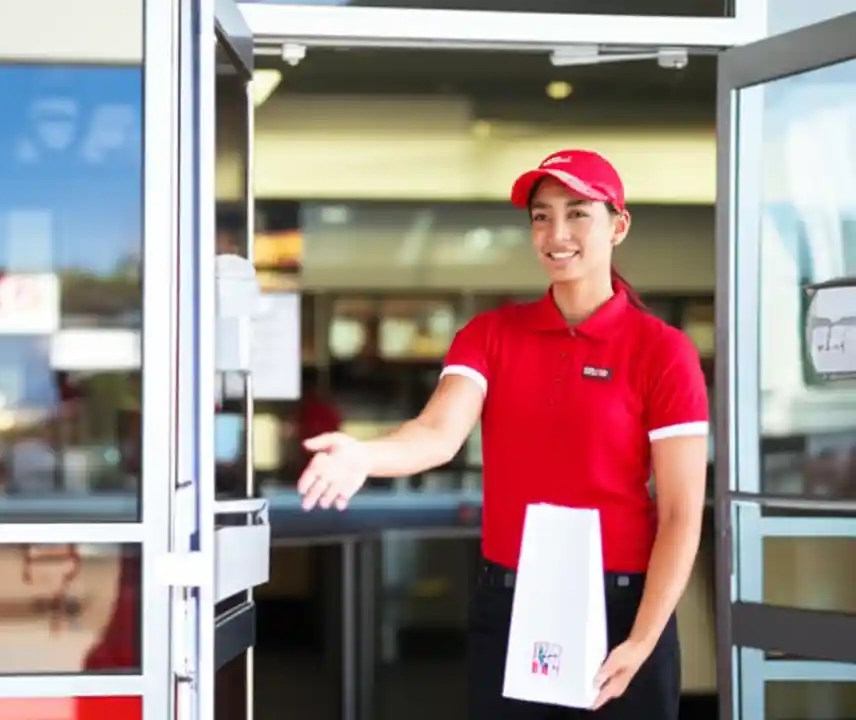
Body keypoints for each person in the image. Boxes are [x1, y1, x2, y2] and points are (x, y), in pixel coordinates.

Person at [296, 149, 709, 719]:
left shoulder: (663, 351)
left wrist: (641, 640)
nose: (556, 233)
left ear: (618, 225)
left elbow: (682, 513)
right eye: (541, 216)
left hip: (622, 604)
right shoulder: (490, 336)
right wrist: (363, 456)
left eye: (577, 213)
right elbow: (437, 433)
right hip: (514, 600)